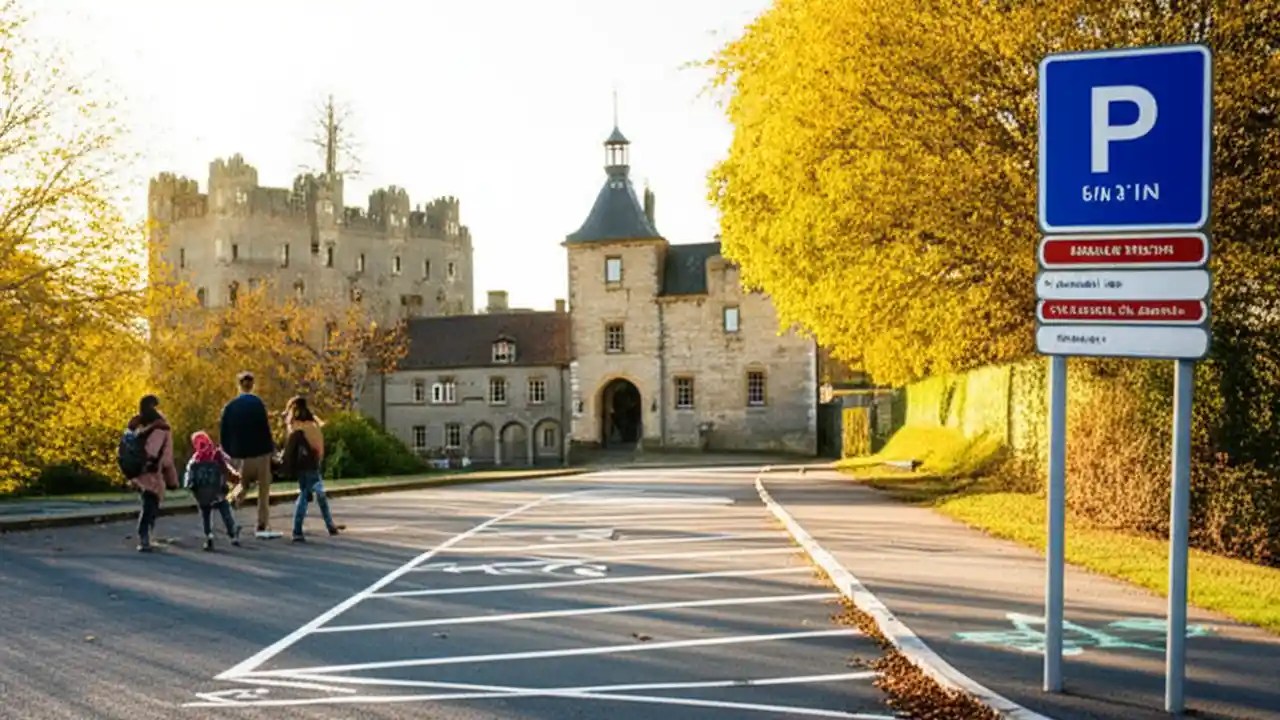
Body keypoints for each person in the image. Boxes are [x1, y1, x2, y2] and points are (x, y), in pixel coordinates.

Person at [219, 371, 279, 539]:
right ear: (252, 385)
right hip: (261, 452)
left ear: (238, 385)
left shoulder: (230, 407)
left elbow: (224, 432)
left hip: (240, 454)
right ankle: (261, 523)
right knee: (263, 490)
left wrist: (229, 451)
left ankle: (230, 505)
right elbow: (265, 429)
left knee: (243, 485)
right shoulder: (257, 404)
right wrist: (272, 449)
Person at [281, 396, 340, 543]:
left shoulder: (294, 426)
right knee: (311, 494)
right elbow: (319, 449)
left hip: (300, 466)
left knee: (311, 493)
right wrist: (318, 460)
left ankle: (329, 525)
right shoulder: (312, 425)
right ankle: (298, 530)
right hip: (312, 465)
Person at [128, 395, 178, 552]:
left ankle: (147, 536)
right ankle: (145, 537)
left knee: (149, 502)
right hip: (153, 472)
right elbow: (162, 456)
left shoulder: (138, 425)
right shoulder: (161, 429)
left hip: (139, 471)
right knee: (150, 504)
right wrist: (171, 479)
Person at [184, 431, 243, 551]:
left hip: (203, 494)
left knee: (206, 515)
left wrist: (192, 487)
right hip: (218, 491)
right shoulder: (216, 454)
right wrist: (235, 479)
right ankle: (232, 533)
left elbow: (189, 476)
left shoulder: (196, 459)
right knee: (225, 511)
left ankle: (209, 536)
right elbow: (225, 469)